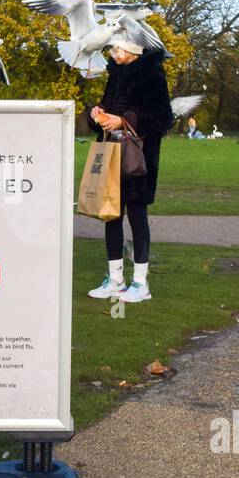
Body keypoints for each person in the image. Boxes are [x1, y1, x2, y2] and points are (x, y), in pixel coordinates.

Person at [84, 35, 174, 304]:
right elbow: (110, 111)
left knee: (137, 216)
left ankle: (140, 283)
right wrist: (98, 114)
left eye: (116, 47)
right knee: (110, 215)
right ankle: (115, 280)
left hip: (139, 159)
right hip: (111, 154)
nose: (111, 52)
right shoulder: (116, 74)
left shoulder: (152, 75)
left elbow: (163, 119)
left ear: (132, 49)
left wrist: (124, 120)